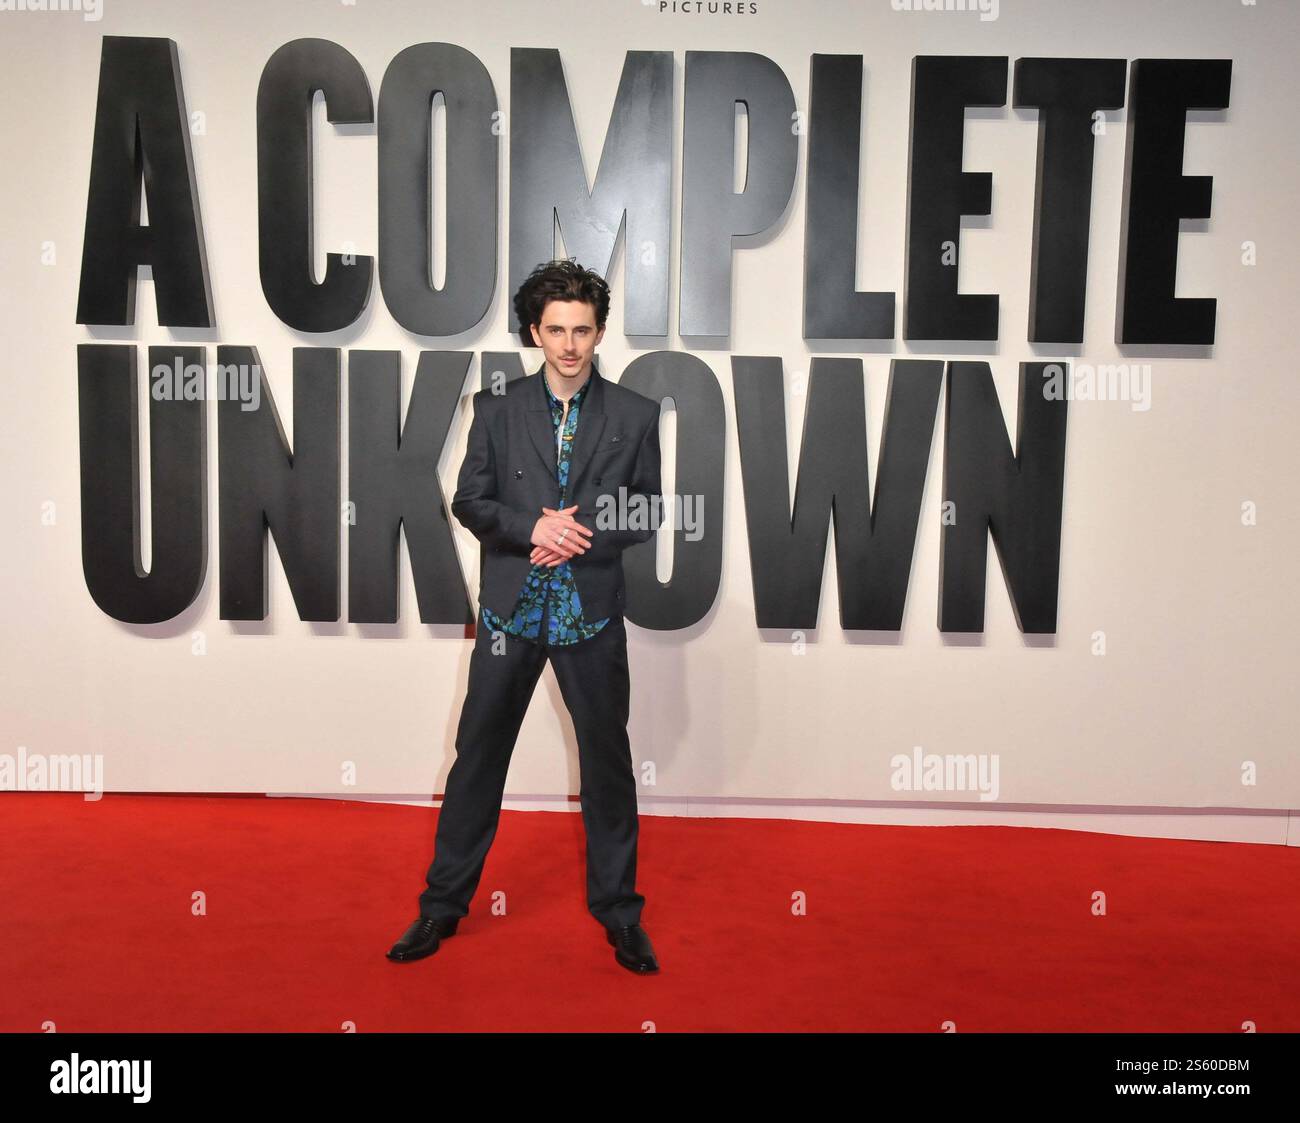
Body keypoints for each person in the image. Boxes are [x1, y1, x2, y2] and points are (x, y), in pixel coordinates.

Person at [388, 259, 663, 973]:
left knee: (608, 765)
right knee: (478, 758)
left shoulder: (634, 414)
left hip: (591, 615)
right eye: (556, 330)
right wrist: (529, 529)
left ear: (599, 332)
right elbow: (469, 501)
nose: (569, 345)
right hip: (512, 613)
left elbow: (650, 508)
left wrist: (583, 533)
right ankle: (441, 907)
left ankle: (620, 913)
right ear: (535, 332)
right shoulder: (496, 408)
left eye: (583, 330)